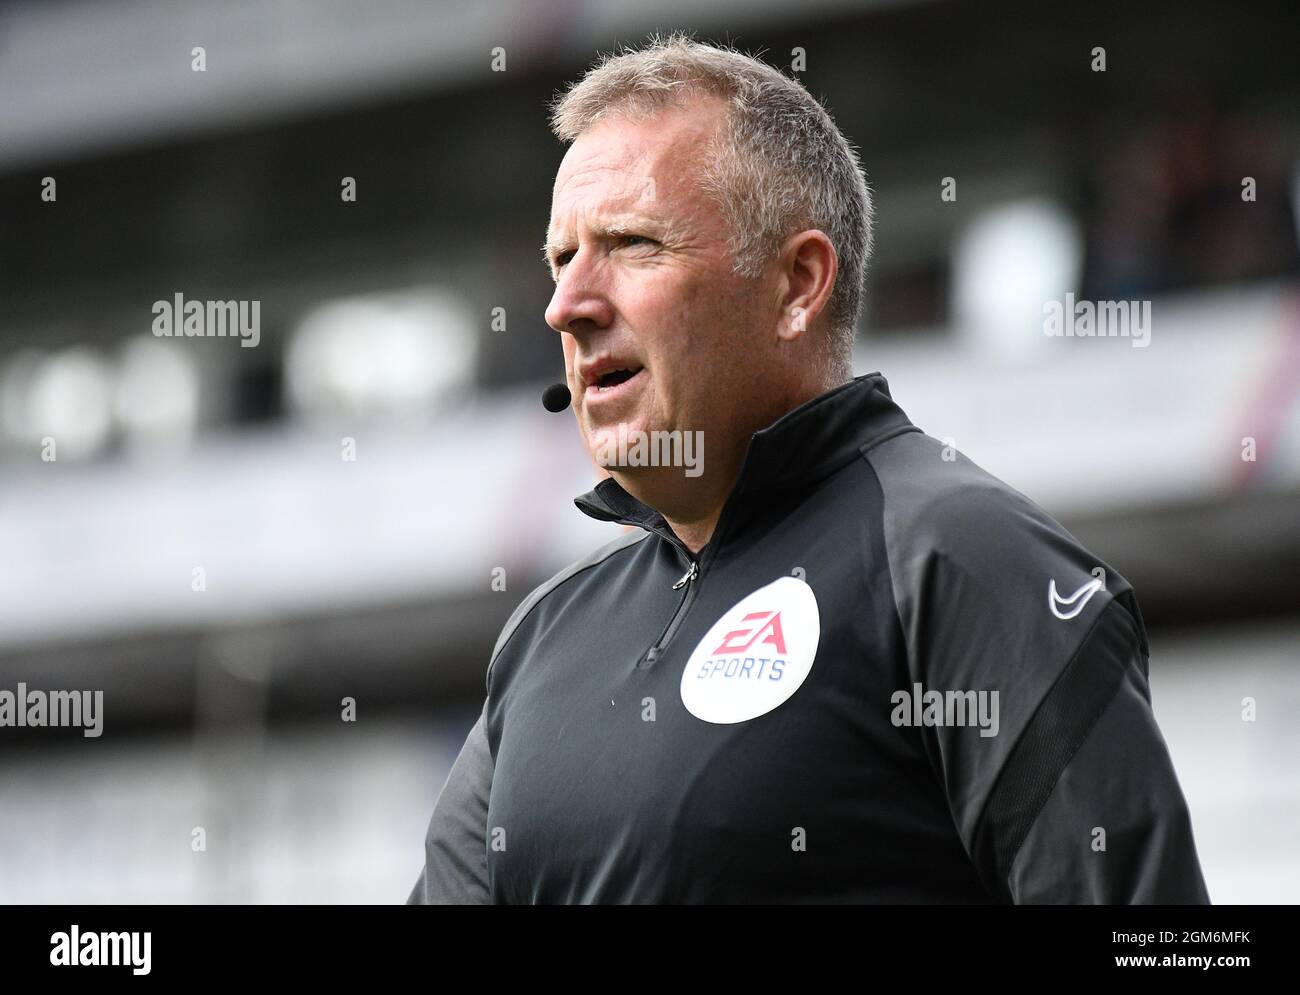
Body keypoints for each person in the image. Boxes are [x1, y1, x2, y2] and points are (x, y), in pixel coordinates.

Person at [407, 33, 1210, 904]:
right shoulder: (541, 638)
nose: (567, 305)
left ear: (797, 286)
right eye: (562, 259)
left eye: (632, 243)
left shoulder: (961, 560)